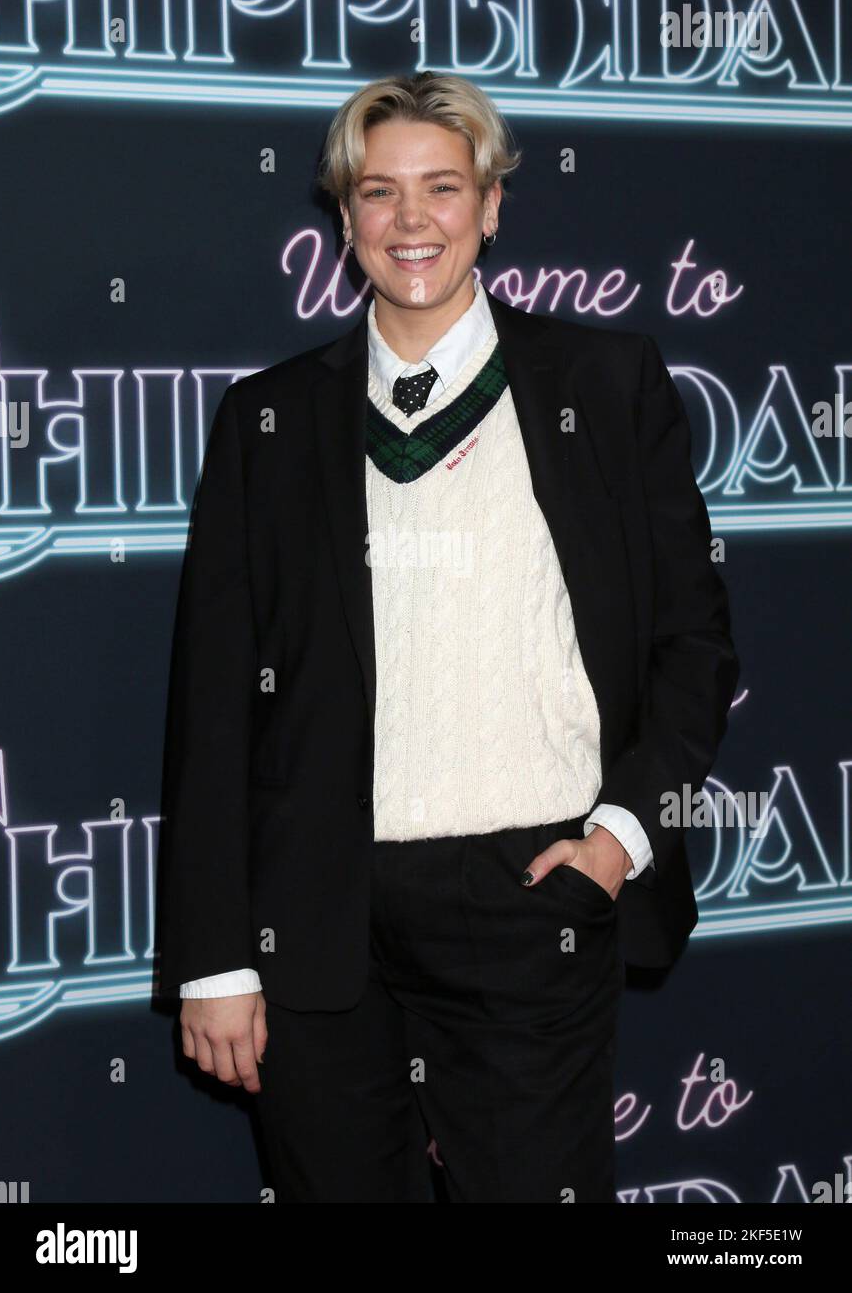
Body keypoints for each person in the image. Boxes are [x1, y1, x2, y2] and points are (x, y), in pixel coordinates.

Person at [157, 70, 740, 1203]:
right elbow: (213, 704)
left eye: (441, 186)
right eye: (378, 192)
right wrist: (213, 954)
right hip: (317, 914)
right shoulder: (268, 423)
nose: (410, 220)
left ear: (490, 204)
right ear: (343, 215)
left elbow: (693, 642)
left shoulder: (601, 384)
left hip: (527, 897)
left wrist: (617, 837)